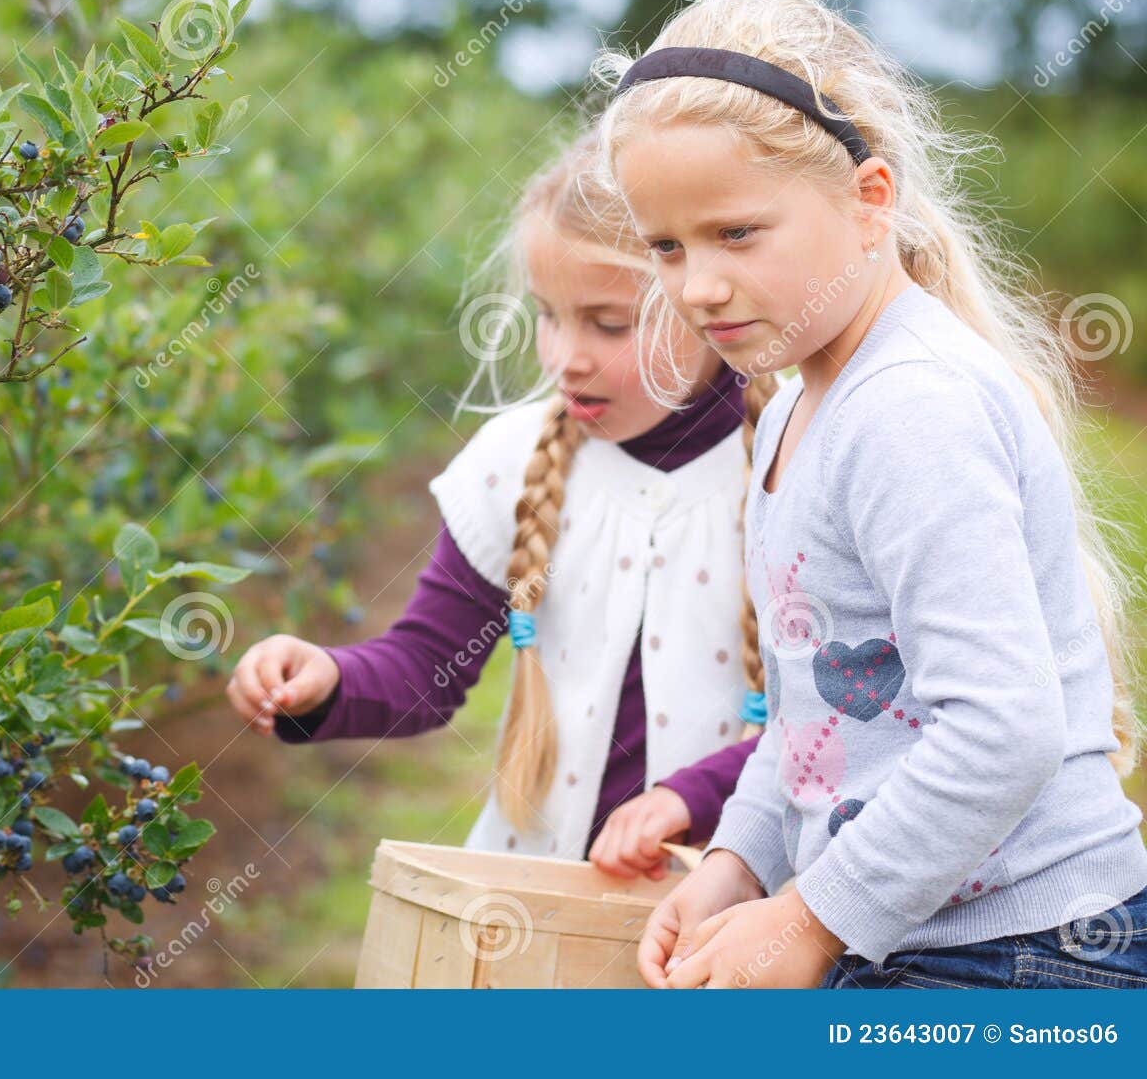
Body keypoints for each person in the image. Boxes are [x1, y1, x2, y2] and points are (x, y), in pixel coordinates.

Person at [596, 0, 1147, 987]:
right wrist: (739, 860)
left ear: (870, 201)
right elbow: (814, 712)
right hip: (910, 933)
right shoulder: (793, 413)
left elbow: (1003, 728)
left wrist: (809, 919)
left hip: (1023, 952)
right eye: (666, 246)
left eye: (736, 233)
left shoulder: (908, 409)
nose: (698, 286)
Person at [225, 132, 771, 876]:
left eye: (609, 323)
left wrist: (693, 796)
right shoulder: (511, 462)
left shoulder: (795, 466)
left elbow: (832, 727)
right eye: (548, 315)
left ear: (710, 297)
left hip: (715, 909)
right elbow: (427, 667)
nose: (565, 357)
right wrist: (328, 678)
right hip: (524, 895)